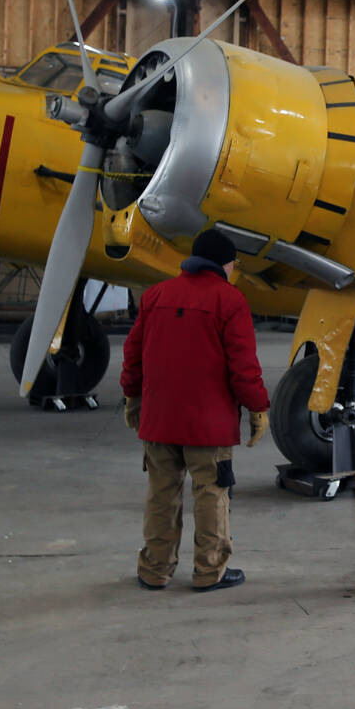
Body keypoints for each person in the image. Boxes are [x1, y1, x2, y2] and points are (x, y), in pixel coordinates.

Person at [120, 228, 270, 592]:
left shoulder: (156, 295)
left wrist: (132, 396)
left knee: (161, 494)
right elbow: (243, 366)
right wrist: (258, 408)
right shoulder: (229, 300)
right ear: (226, 264)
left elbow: (133, 354)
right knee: (211, 495)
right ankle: (209, 572)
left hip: (159, 420)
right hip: (208, 425)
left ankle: (154, 570)